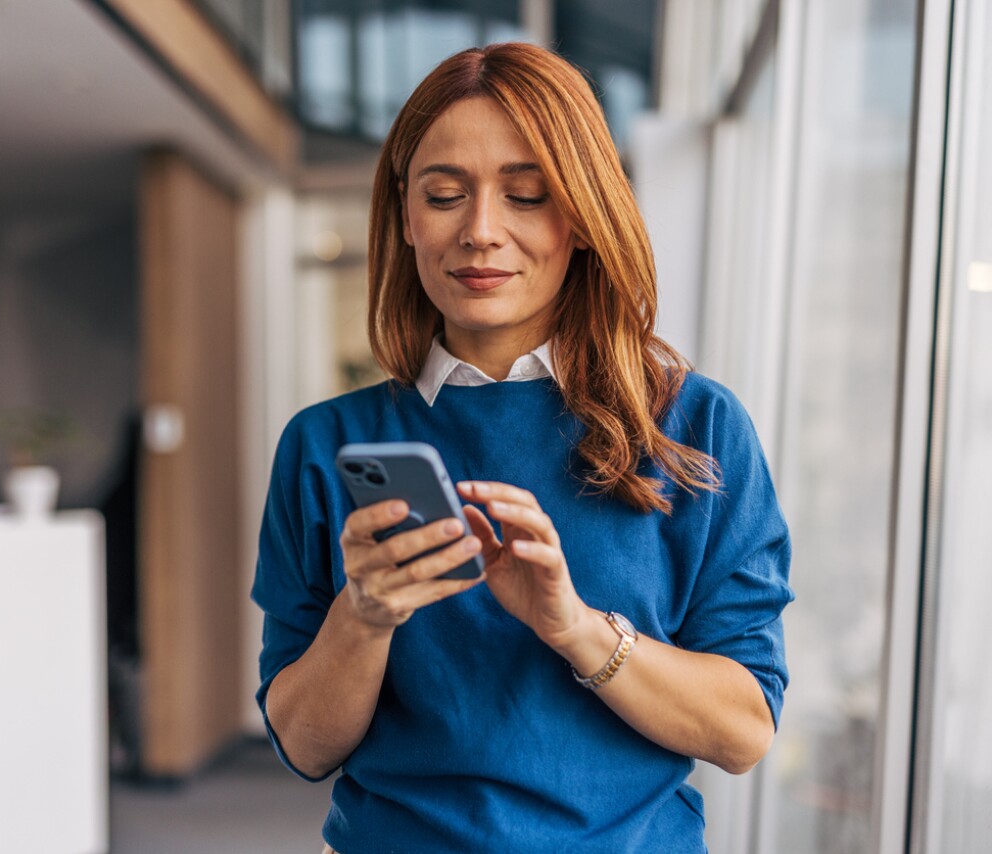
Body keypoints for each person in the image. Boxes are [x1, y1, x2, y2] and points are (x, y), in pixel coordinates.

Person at [252, 42, 793, 854]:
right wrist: (364, 617)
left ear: (580, 217)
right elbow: (302, 744)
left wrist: (573, 626)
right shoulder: (326, 446)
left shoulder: (694, 429)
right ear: (405, 217)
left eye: (527, 194)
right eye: (443, 195)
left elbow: (744, 731)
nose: (479, 232)